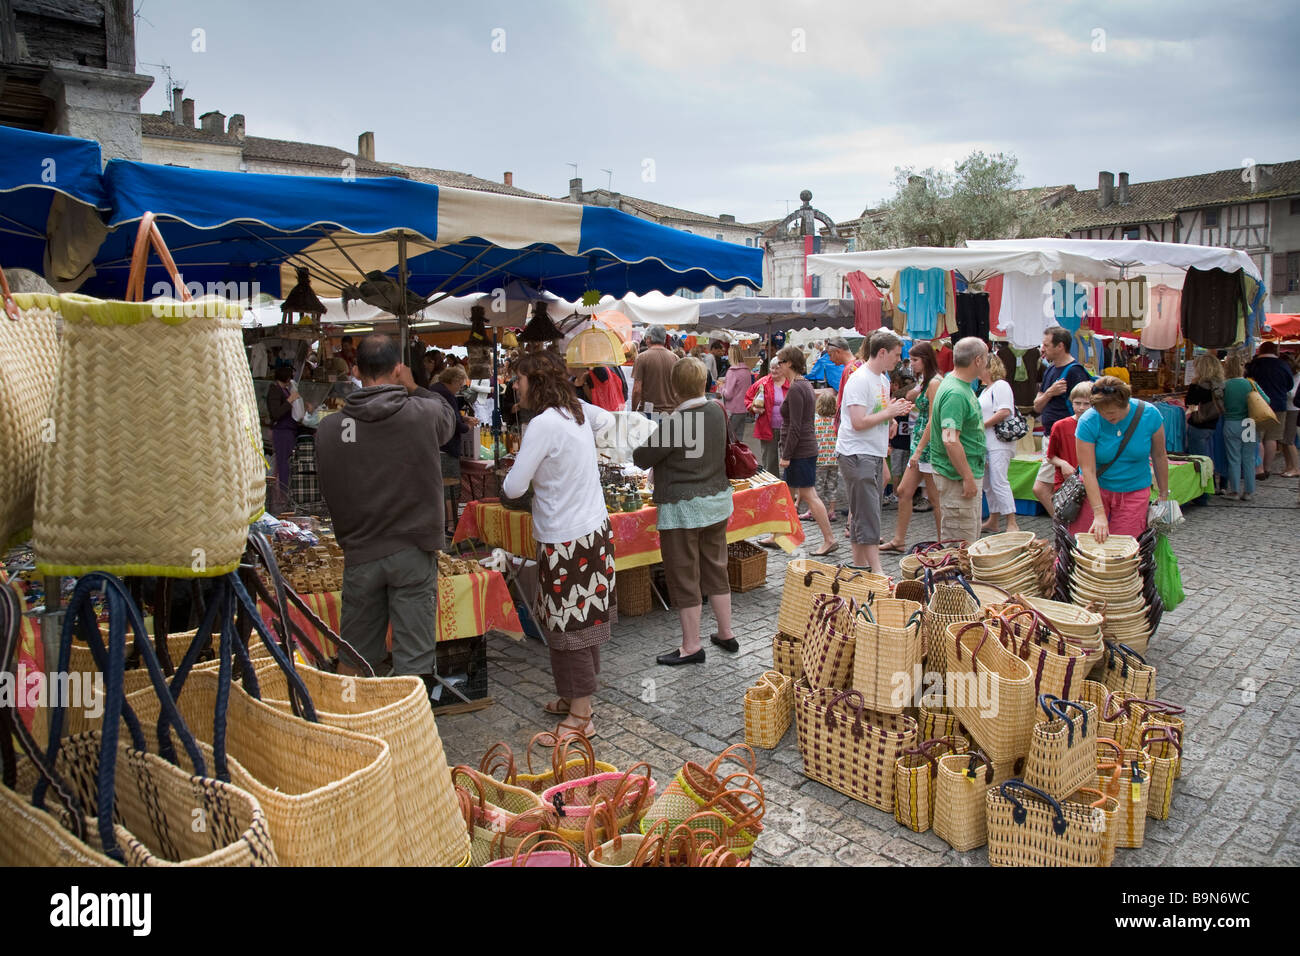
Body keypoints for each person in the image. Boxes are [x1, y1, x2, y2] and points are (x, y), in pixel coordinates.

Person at [315, 335, 456, 687]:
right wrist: (415, 387)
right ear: (397, 369)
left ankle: (351, 728)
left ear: (356, 370)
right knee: (414, 660)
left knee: (354, 656)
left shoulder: (331, 429)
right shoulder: (423, 412)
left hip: (361, 551)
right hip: (412, 550)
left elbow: (329, 489)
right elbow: (449, 419)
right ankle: (410, 734)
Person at [501, 350, 616, 737]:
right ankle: (573, 698)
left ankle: (582, 716)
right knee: (576, 621)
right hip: (592, 531)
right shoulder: (576, 410)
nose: (515, 385)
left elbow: (514, 486)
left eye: (519, 379)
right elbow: (609, 420)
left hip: (566, 538)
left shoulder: (544, 424)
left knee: (569, 627)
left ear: (536, 381)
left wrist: (524, 469)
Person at [633, 358, 737, 666]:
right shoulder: (717, 410)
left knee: (684, 575)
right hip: (717, 502)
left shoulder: (677, 423)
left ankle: (691, 646)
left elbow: (641, 457)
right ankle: (726, 632)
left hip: (682, 510)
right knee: (716, 568)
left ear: (674, 386)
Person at [838, 328, 911, 572]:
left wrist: (890, 419)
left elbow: (877, 410)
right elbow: (858, 422)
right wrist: (889, 413)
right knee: (868, 512)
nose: (899, 359)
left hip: (872, 452)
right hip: (857, 453)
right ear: (882, 352)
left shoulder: (882, 378)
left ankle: (859, 566)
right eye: (896, 354)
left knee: (864, 511)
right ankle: (877, 569)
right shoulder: (859, 380)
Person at [1071, 375, 1169, 540]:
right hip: (1096, 489)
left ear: (1125, 404)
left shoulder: (1150, 415)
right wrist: (1099, 513)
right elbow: (1087, 469)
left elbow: (1159, 455)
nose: (1106, 417)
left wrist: (1163, 494)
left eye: (1111, 413)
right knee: (1085, 546)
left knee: (1123, 549)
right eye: (1100, 412)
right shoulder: (1089, 420)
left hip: (1134, 490)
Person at [774, 345, 837, 557]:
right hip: (804, 449)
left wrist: (786, 455)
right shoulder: (803, 385)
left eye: (781, 362)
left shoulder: (797, 388)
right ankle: (778, 536)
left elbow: (796, 426)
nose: (778, 365)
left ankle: (829, 539)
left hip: (800, 451)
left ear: (789, 363)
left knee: (809, 494)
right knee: (789, 493)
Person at [880, 342, 943, 553]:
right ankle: (899, 540)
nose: (911, 364)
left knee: (934, 497)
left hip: (928, 446)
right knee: (904, 491)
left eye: (915, 360)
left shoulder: (934, 382)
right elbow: (909, 396)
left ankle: (944, 541)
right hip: (920, 443)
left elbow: (934, 418)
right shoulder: (926, 381)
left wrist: (918, 450)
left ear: (925, 359)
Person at [929, 337, 989, 547]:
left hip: (961, 475)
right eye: (987, 357)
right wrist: (967, 477)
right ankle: (953, 581)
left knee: (967, 539)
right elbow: (950, 439)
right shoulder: (955, 392)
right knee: (959, 546)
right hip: (956, 478)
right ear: (978, 360)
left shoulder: (959, 385)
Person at [1032, 326, 1093, 516]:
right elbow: (1037, 406)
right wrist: (1050, 392)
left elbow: (1087, 409)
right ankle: (1066, 526)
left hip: (1067, 439)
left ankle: (1065, 525)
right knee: (1053, 488)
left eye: (1046, 345)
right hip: (1052, 436)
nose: (1043, 349)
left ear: (1060, 346)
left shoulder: (1075, 372)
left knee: (1043, 488)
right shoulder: (1050, 370)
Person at [978, 353, 1020, 534]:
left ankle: (1012, 522)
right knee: (989, 483)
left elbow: (1004, 411)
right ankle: (993, 520)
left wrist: (981, 426)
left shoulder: (1001, 385)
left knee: (999, 481)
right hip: (987, 443)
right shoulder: (986, 389)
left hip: (999, 442)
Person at [430, 366, 472, 528]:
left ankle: (443, 524)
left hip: (435, 445)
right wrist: (467, 427)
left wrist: (464, 419)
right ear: (454, 381)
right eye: (460, 385)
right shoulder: (446, 395)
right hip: (447, 447)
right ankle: (452, 525)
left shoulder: (433, 390)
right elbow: (454, 423)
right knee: (451, 486)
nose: (459, 389)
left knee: (441, 487)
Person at [1246, 342, 1293, 478]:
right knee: (1272, 438)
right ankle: (1267, 468)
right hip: (1279, 404)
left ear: (1261, 350)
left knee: (1257, 437)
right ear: (1275, 351)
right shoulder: (1283, 365)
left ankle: (1258, 469)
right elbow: (1289, 385)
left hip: (1257, 405)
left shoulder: (1254, 365)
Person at [1185, 352, 1227, 491]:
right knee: (1210, 456)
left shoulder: (1198, 385)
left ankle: (1203, 492)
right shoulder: (1220, 385)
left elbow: (1190, 403)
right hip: (1213, 424)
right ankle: (1213, 486)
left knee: (1199, 459)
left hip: (1198, 425)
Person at [1221, 354, 1259, 501]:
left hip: (1231, 423)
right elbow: (1266, 400)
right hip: (1248, 423)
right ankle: (1249, 491)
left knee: (1233, 458)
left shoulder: (1225, 385)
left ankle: (1235, 491)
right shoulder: (1250, 384)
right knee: (1248, 458)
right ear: (1241, 367)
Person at [1045, 381, 1094, 494]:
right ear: (1071, 403)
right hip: (1067, 483)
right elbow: (1050, 456)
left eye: (1087, 404)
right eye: (1077, 403)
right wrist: (1063, 464)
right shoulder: (1060, 426)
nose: (1081, 408)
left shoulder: (1099, 425)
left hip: (1093, 481)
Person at [266, 365, 301, 513]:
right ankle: (281, 498)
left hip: (288, 431)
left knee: (285, 463)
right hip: (281, 432)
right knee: (282, 464)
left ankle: (284, 495)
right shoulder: (274, 390)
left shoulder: (284, 388)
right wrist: (290, 401)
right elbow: (275, 413)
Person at [745, 365, 787, 477]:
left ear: (784, 369)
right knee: (769, 460)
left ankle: (789, 487)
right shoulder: (763, 382)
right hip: (767, 426)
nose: (774, 371)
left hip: (787, 427)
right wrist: (753, 408)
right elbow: (748, 398)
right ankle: (773, 487)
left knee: (788, 459)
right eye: (772, 368)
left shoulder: (790, 382)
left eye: (777, 368)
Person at [631, 324, 679, 414]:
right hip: (670, 412)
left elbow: (637, 390)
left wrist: (633, 410)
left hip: (649, 413)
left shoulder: (642, 358)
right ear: (664, 339)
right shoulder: (675, 358)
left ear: (649, 338)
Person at [884, 369, 915, 507]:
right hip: (907, 443)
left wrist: (889, 442)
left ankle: (896, 494)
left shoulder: (896, 410)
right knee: (903, 470)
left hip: (897, 444)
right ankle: (902, 493)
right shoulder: (910, 410)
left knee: (896, 471)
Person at [813, 391, 841, 522]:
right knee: (832, 485)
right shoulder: (836, 422)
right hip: (834, 459)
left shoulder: (815, 420)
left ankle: (818, 510)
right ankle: (832, 510)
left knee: (818, 485)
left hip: (819, 459)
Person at [719, 344, 754, 440]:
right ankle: (738, 455)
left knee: (729, 438)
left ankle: (732, 455)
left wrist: (721, 387)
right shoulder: (747, 371)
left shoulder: (732, 371)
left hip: (733, 410)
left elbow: (728, 395)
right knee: (738, 438)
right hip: (743, 409)